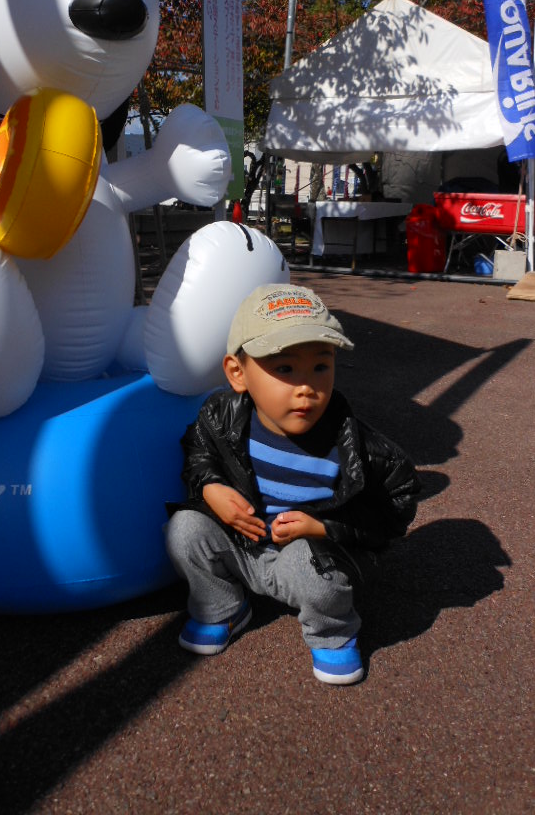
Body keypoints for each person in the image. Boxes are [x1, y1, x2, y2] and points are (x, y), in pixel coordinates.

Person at [165, 283, 420, 685]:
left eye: (321, 366)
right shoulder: (221, 415)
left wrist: (326, 528)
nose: (307, 387)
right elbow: (198, 449)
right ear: (237, 373)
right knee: (184, 530)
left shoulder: (356, 443)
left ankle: (333, 631)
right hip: (245, 545)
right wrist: (211, 486)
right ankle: (222, 607)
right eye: (284, 368)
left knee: (309, 567)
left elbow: (398, 502)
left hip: (315, 558)